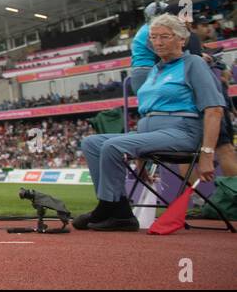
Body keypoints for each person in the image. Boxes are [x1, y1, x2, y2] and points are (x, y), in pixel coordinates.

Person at [77, 14, 223, 231]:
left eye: (165, 36)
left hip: (182, 131)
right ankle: (119, 210)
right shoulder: (156, 69)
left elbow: (214, 110)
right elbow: (150, 114)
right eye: (154, 37)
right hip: (152, 133)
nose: (158, 42)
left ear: (182, 39)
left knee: (112, 145)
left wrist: (207, 153)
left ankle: (109, 207)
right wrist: (140, 151)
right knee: (92, 143)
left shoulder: (193, 64)